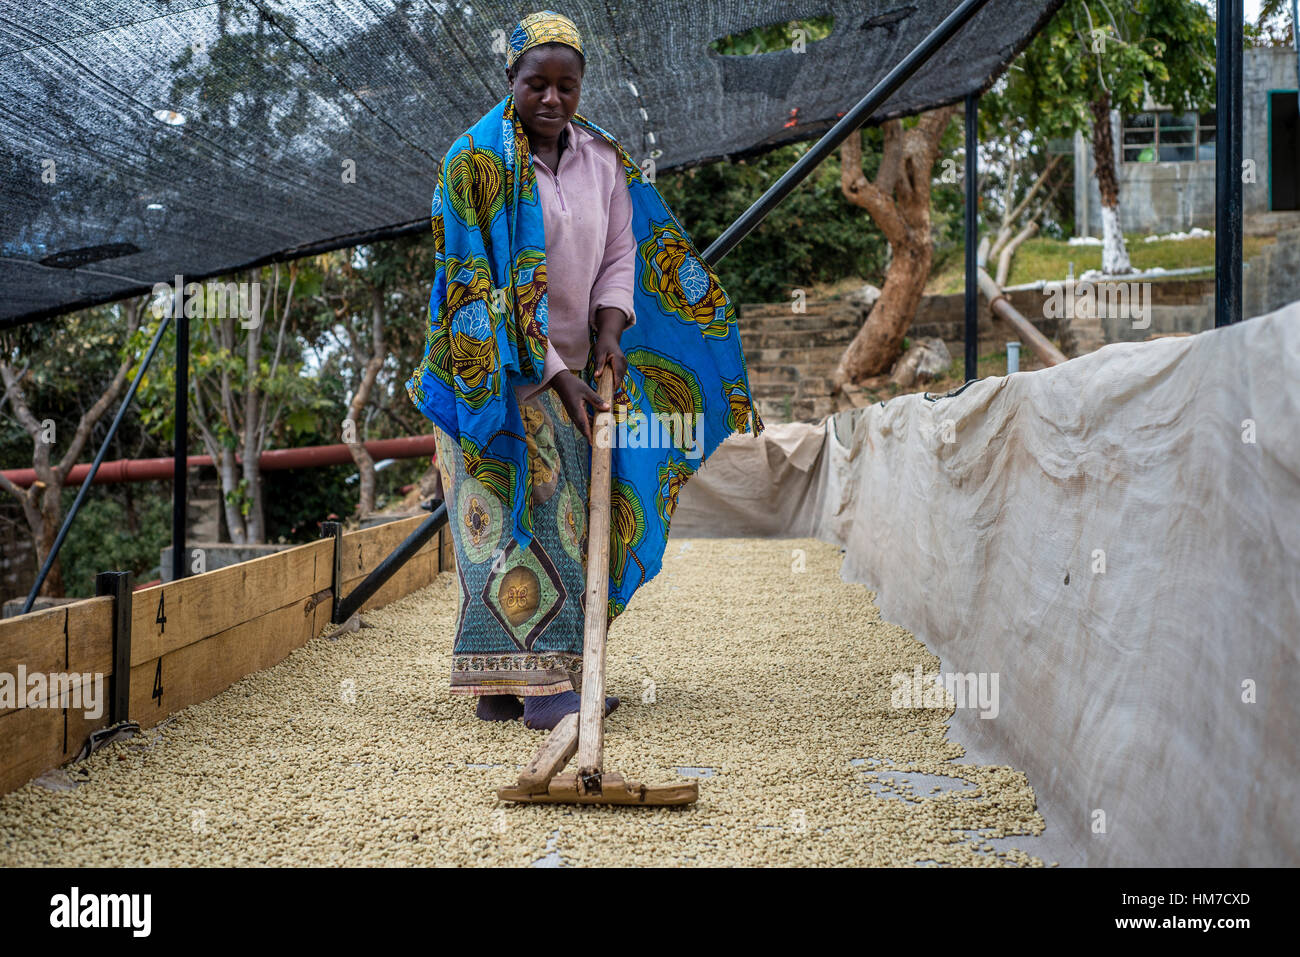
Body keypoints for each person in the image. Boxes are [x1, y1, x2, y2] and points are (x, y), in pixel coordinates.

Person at [406, 10, 761, 732]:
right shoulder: (471, 162)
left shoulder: (604, 158)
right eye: (537, 83)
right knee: (519, 520)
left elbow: (623, 253)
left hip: (573, 364)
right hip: (491, 376)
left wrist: (609, 332)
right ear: (511, 81)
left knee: (564, 518)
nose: (552, 99)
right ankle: (547, 692)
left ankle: (504, 687)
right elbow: (478, 286)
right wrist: (554, 372)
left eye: (567, 86)